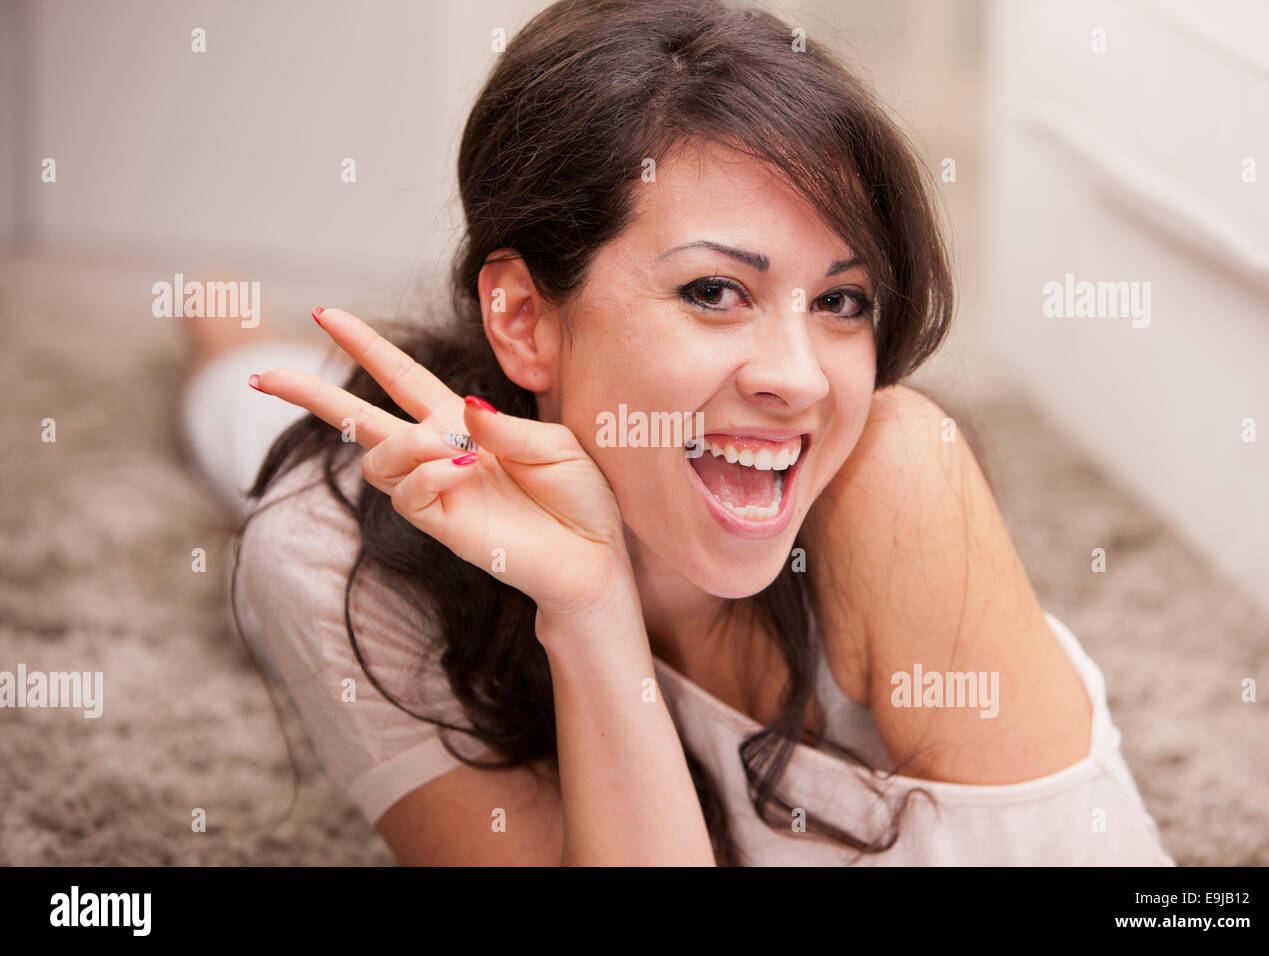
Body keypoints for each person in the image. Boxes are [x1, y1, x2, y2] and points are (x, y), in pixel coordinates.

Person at [181, 0, 1176, 866]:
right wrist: (588, 618)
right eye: (714, 290)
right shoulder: (329, 541)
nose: (793, 377)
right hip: (442, 455)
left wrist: (595, 598)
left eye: (840, 299)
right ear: (524, 316)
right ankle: (214, 322)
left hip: (520, 403)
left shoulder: (898, 473)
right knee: (260, 406)